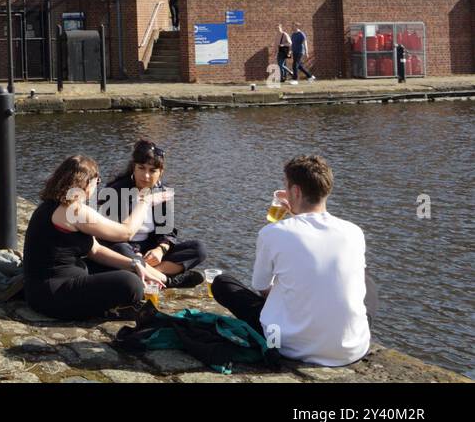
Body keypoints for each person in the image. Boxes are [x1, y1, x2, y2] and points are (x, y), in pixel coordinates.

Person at [210, 155, 371, 367]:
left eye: (286, 186)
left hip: (285, 345)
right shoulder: (353, 231)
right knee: (369, 286)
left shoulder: (272, 232)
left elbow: (261, 287)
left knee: (223, 284)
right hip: (351, 350)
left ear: (295, 191)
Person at [22, 154, 171, 320]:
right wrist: (145, 202)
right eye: (96, 182)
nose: (97, 187)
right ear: (86, 184)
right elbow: (126, 232)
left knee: (128, 270)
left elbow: (95, 249)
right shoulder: (74, 210)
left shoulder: (55, 205)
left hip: (53, 286)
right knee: (131, 283)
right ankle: (107, 311)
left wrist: (134, 264)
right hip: (52, 295)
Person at [97, 140, 206, 288]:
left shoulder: (162, 192)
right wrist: (136, 254)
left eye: (152, 170)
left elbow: (167, 233)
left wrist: (160, 250)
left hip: (149, 250)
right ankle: (167, 280)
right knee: (121, 249)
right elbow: (111, 235)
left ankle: (149, 274)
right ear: (133, 168)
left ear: (161, 172)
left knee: (198, 249)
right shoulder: (115, 192)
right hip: (124, 247)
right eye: (141, 168)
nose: (146, 176)